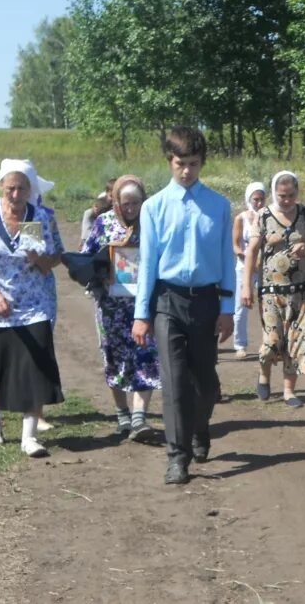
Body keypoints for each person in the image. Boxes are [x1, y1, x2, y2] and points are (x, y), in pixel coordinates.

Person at [132, 126, 235, 485]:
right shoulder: (154, 207)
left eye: (193, 163)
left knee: (206, 384)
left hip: (206, 300)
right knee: (175, 382)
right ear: (169, 162)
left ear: (202, 163)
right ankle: (177, 457)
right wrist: (141, 314)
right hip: (167, 301)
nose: (186, 171)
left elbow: (227, 259)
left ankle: (199, 429)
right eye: (180, 164)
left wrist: (227, 309)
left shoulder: (219, 206)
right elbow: (147, 263)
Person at [0, 159, 64, 458]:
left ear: (30, 190)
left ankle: (29, 436)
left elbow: (54, 258)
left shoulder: (38, 217)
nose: (16, 195)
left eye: (22, 189)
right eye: (11, 188)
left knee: (35, 365)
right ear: (1, 187)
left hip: (33, 304)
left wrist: (38, 258)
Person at [82, 175, 160, 441]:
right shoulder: (103, 223)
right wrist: (103, 269)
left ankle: (139, 417)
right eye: (125, 203)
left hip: (143, 305)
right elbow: (86, 258)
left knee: (145, 355)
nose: (131, 209)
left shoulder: (152, 222)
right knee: (115, 358)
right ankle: (122, 414)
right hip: (111, 306)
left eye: (135, 203)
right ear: (116, 202)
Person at [241, 170, 305, 406]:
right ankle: (264, 374)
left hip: (302, 291)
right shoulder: (264, 216)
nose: (286, 200)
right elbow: (251, 251)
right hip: (271, 292)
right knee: (272, 342)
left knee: (297, 341)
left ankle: (288, 391)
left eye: (291, 195)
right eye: (282, 195)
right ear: (274, 193)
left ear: (297, 193)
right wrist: (246, 286)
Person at [233, 181, 266, 359]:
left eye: (262, 199)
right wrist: (246, 257)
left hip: (264, 267)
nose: (259, 203)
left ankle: (268, 342)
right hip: (244, 266)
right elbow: (236, 245)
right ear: (249, 199)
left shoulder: (269, 216)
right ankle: (240, 344)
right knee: (241, 307)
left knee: (266, 305)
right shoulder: (241, 218)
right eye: (255, 199)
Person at [80, 179, 116, 248]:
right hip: (101, 216)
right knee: (88, 213)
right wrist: (95, 209)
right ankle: (85, 239)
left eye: (116, 196)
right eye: (111, 196)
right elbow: (97, 206)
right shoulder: (102, 197)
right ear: (106, 193)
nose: (114, 199)